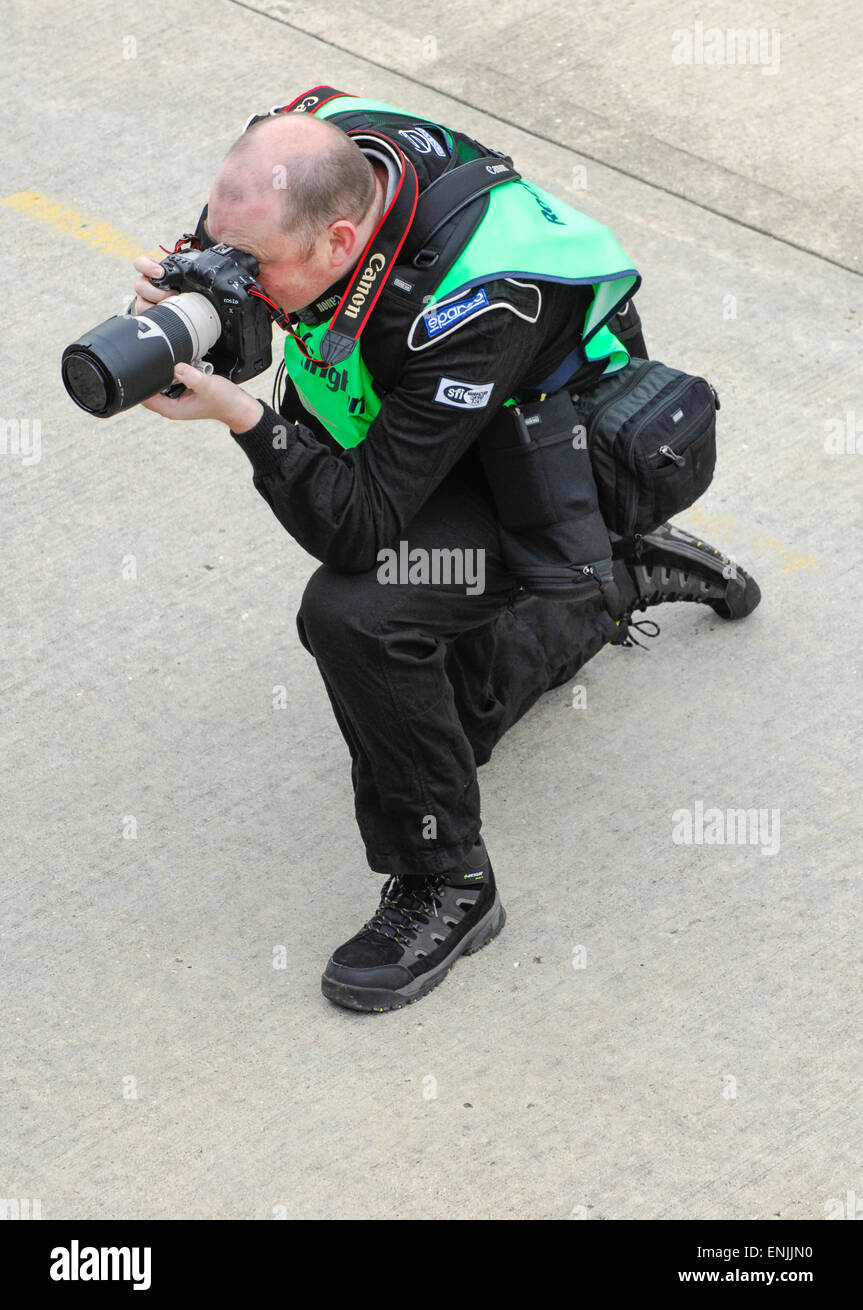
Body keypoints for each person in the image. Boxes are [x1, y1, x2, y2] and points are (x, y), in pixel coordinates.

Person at [131, 87, 760, 1013]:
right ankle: (612, 580)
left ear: (342, 243)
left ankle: (449, 887)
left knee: (360, 616)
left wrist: (245, 420)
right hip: (410, 395)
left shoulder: (477, 301)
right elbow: (275, 299)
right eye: (224, 249)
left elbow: (358, 523)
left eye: (251, 266)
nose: (238, 276)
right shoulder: (305, 159)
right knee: (452, 724)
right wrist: (195, 302)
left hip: (544, 438)